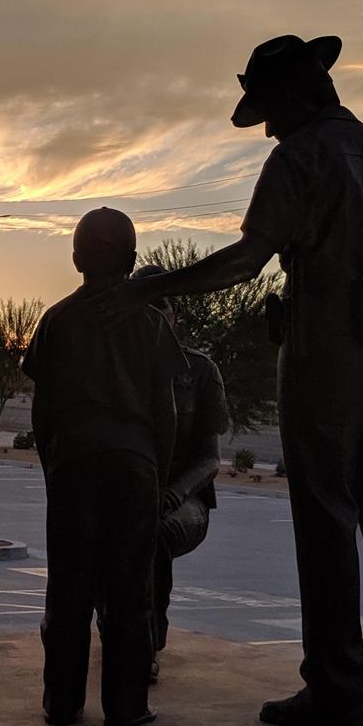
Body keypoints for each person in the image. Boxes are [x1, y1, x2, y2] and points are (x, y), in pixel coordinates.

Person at [109, 35, 363, 726]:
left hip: (326, 353)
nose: (265, 127)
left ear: (297, 99)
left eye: (268, 111)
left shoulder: (298, 157)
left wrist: (157, 288)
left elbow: (246, 260)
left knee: (328, 522)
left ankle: (333, 689)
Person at [23, 208, 183, 726]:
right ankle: (126, 704)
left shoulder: (57, 320)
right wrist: (156, 473)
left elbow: (42, 413)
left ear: (75, 259)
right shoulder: (153, 325)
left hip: (73, 465)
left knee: (67, 588)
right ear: (134, 260)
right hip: (134, 467)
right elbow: (166, 413)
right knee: (129, 590)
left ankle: (62, 702)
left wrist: (55, 468)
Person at [130, 265, 227, 680]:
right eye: (144, 303)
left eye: (162, 304)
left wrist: (171, 495)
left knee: (151, 532)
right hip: (128, 492)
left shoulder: (200, 371)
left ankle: (145, 643)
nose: (153, 312)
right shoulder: (118, 367)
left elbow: (210, 459)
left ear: (177, 315)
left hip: (182, 501)